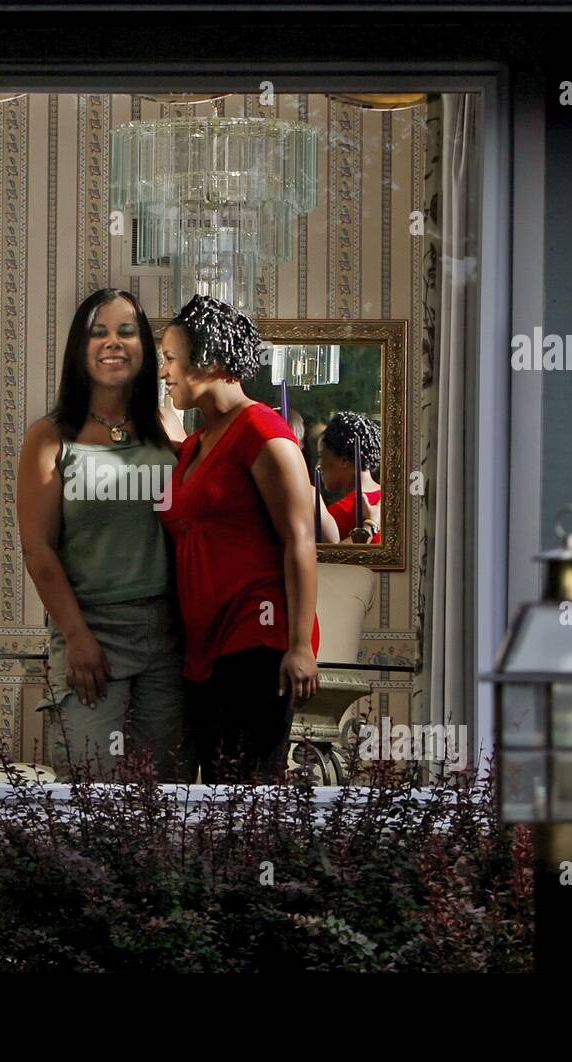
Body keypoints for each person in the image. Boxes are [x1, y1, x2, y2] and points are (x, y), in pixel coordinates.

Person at [16, 288, 189, 781]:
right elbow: (38, 550)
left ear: (144, 346)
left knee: (166, 794)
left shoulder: (164, 424)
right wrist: (76, 637)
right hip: (92, 630)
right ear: (80, 347)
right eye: (99, 332)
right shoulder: (50, 436)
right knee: (91, 793)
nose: (113, 343)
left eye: (126, 331)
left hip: (168, 632)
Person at [157, 294, 319, 784]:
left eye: (169, 359)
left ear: (206, 359)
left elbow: (300, 540)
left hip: (259, 637)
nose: (164, 373)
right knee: (211, 805)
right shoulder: (197, 443)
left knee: (245, 805)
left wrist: (299, 646)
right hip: (204, 647)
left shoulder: (263, 432)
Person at [318, 412, 382, 544]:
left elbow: (330, 561)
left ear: (344, 460)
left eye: (322, 457)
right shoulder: (392, 500)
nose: (319, 465)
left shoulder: (339, 513)